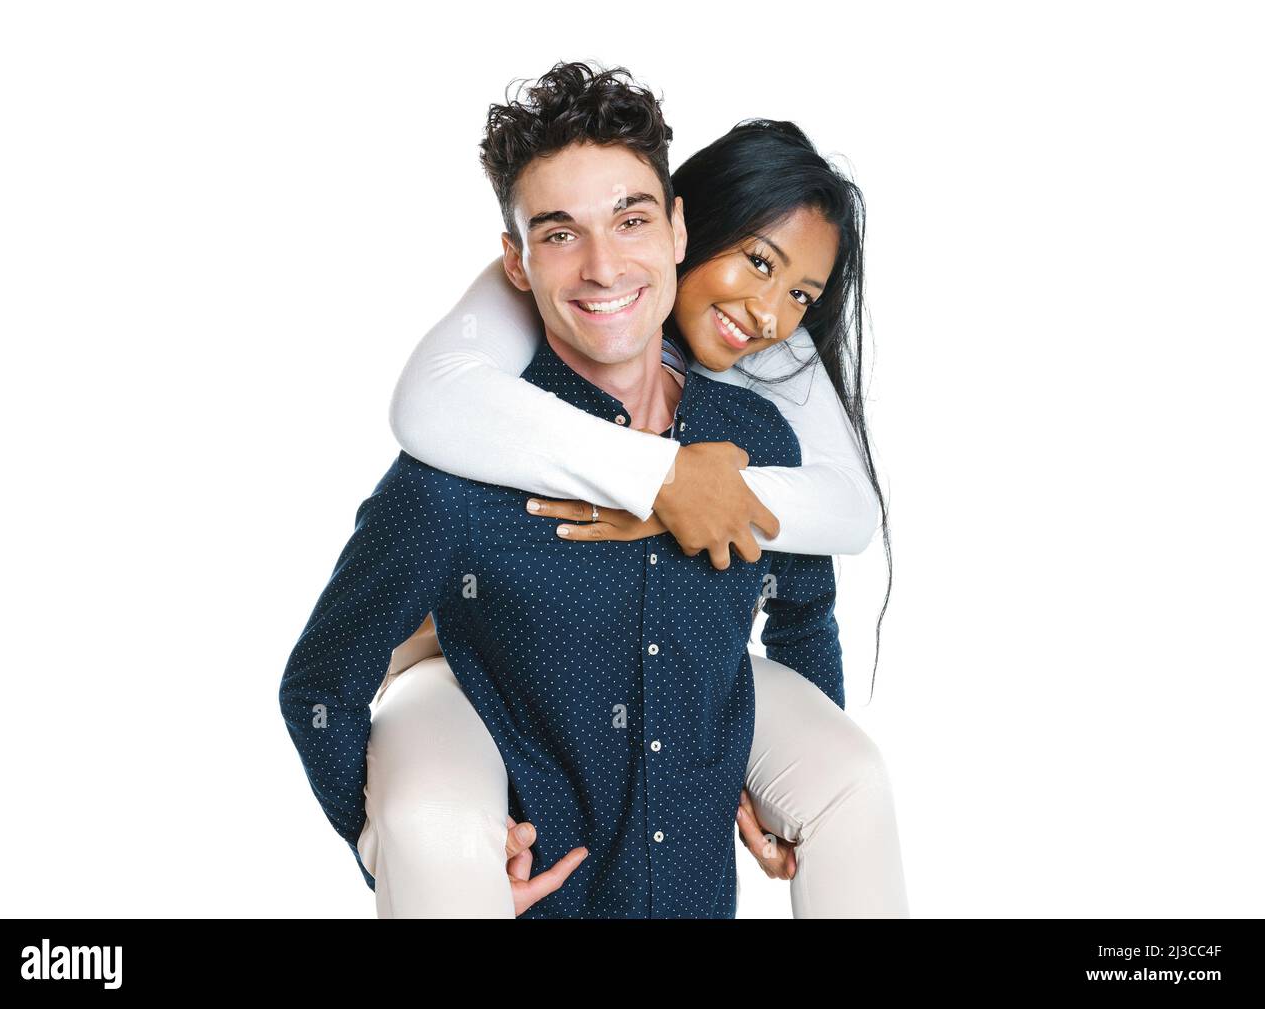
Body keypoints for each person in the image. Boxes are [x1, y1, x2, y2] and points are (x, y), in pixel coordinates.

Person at [280, 60, 908, 918]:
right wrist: (380, 841)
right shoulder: (461, 466)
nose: (604, 266)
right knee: (425, 805)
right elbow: (322, 684)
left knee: (852, 777)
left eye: (630, 220)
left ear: (677, 231)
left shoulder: (758, 437)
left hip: (690, 883)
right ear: (517, 261)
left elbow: (805, 607)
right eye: (561, 233)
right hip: (518, 844)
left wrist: (781, 791)